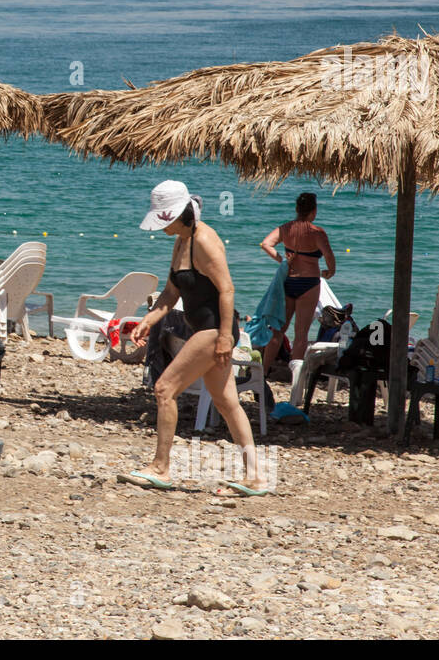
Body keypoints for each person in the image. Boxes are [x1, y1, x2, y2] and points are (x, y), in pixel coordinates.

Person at [126, 180, 268, 495]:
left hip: (215, 330)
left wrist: (224, 340)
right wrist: (148, 320)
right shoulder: (181, 240)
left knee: (164, 389)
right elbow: (171, 291)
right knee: (227, 401)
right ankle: (256, 477)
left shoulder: (205, 241)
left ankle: (161, 468)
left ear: (180, 214)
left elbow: (227, 289)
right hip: (205, 330)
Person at [259, 192, 336, 364]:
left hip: (288, 281)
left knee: (278, 330)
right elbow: (329, 257)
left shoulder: (285, 228)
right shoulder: (318, 233)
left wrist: (282, 260)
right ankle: (296, 378)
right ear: (313, 211)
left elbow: (266, 244)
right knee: (301, 335)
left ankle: (263, 372)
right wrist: (329, 272)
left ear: (296, 209)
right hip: (309, 284)